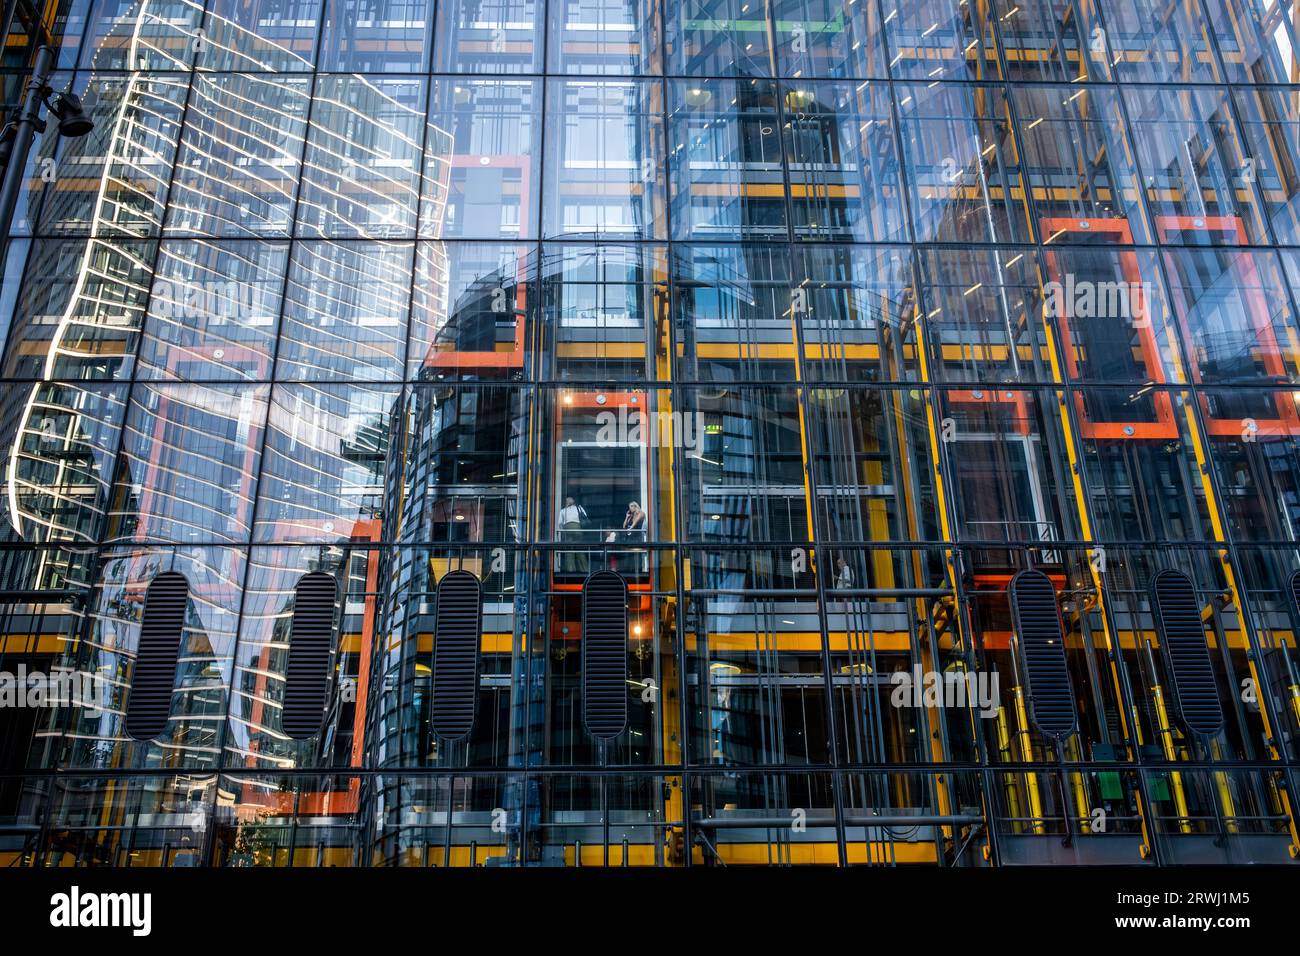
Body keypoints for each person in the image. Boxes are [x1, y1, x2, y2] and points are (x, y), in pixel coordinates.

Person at [558, 496, 588, 573]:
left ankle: (571, 570)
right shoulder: (578, 508)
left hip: (568, 530)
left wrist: (563, 531)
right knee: (579, 549)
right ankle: (584, 570)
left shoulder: (563, 511)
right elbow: (585, 516)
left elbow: (560, 523)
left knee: (569, 551)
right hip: (577, 528)